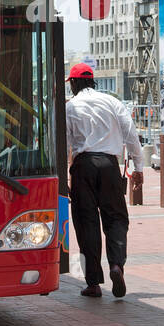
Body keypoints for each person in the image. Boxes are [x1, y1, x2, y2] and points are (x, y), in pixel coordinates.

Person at [64, 62, 144, 298]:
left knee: (86, 222)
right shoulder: (112, 102)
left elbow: (65, 144)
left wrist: (64, 175)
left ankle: (93, 283)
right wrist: (139, 167)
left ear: (75, 83)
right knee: (116, 219)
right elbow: (131, 134)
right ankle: (117, 265)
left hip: (83, 166)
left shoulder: (70, 108)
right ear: (92, 81)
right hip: (110, 165)